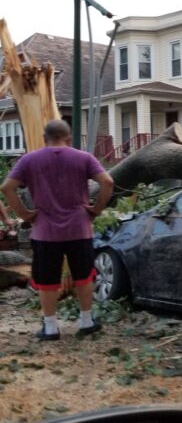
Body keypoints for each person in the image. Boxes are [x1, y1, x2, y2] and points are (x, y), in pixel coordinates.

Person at [1, 120, 114, 341]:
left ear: (45, 139)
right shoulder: (83, 158)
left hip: (45, 232)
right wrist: (96, 209)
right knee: (83, 276)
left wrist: (25, 214)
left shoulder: (29, 160)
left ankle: (51, 327)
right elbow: (107, 182)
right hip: (79, 229)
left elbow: (7, 188)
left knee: (47, 280)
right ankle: (86, 321)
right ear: (69, 139)